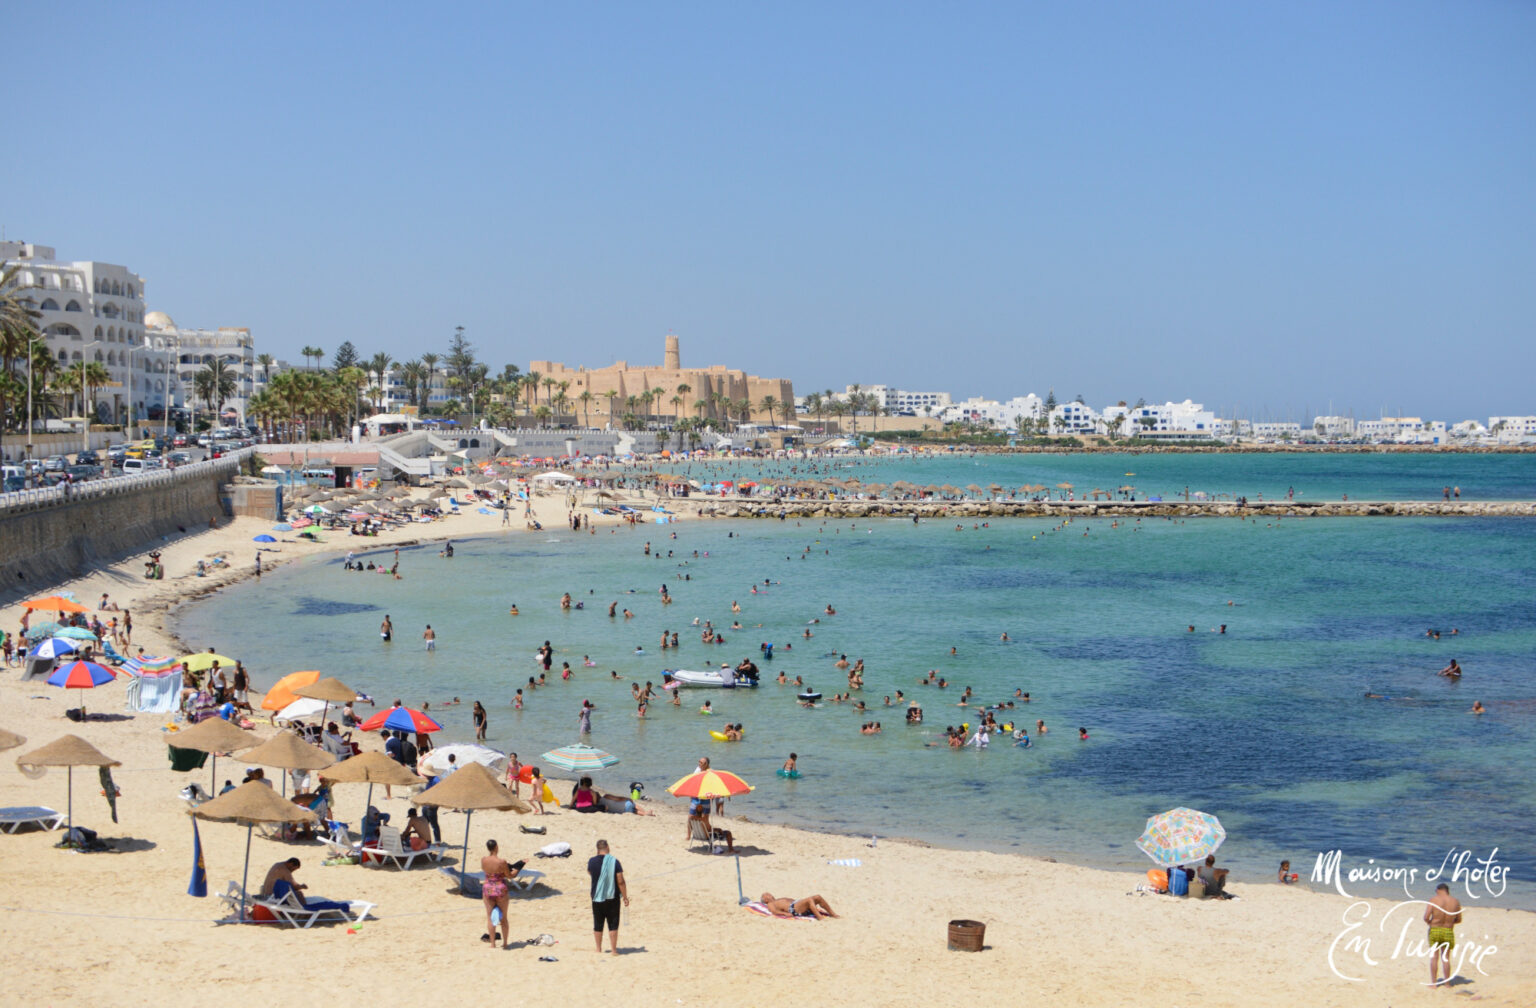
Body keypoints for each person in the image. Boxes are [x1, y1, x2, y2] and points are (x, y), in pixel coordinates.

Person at [259, 857, 351, 913]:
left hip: (266, 892)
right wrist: (302, 886)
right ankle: (304, 908)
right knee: (299, 893)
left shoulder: (277, 865)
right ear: (290, 864)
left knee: (293, 891)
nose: (292, 871)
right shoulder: (285, 870)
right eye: (293, 869)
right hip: (274, 895)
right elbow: (294, 885)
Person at [588, 839, 630, 954]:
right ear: (607, 847)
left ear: (597, 850)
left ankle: (598, 949)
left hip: (597, 896)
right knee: (613, 923)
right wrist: (625, 897)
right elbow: (620, 881)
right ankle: (613, 950)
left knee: (598, 923)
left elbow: (590, 872)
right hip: (612, 897)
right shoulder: (614, 861)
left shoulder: (591, 861)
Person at [1424, 881, 1463, 986]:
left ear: (1438, 890)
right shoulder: (1455, 901)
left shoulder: (1434, 900)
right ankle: (1447, 984)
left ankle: (1434, 984)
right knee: (1446, 958)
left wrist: (1430, 922)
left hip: (1435, 929)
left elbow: (1426, 917)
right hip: (1448, 931)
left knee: (1434, 957)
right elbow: (1459, 919)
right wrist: (1450, 923)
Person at [480, 839, 514, 948]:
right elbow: (509, 875)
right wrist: (518, 868)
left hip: (488, 889)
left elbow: (488, 872)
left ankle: (493, 944)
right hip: (500, 889)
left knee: (490, 918)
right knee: (503, 919)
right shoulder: (501, 862)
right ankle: (505, 943)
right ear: (496, 847)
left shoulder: (483, 860)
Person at [760, 892, 839, 920]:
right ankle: (820, 917)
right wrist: (785, 913)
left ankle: (832, 914)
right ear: (765, 900)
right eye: (766, 895)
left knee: (818, 897)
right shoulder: (770, 904)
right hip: (793, 908)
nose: (769, 894)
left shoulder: (777, 899)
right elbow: (774, 911)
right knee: (809, 900)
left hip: (797, 904)